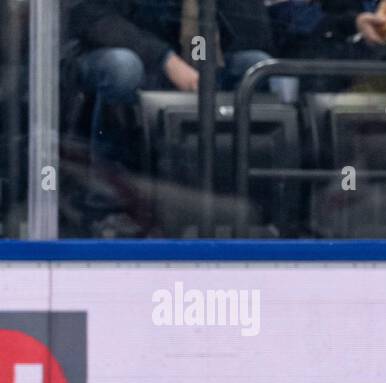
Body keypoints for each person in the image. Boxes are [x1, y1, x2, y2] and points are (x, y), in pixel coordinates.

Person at [68, 0, 273, 235]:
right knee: (123, 67)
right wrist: (165, 60)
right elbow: (93, 18)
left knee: (256, 64)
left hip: (201, 62)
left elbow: (257, 34)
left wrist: (206, 49)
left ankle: (252, 208)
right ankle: (106, 207)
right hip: (131, 56)